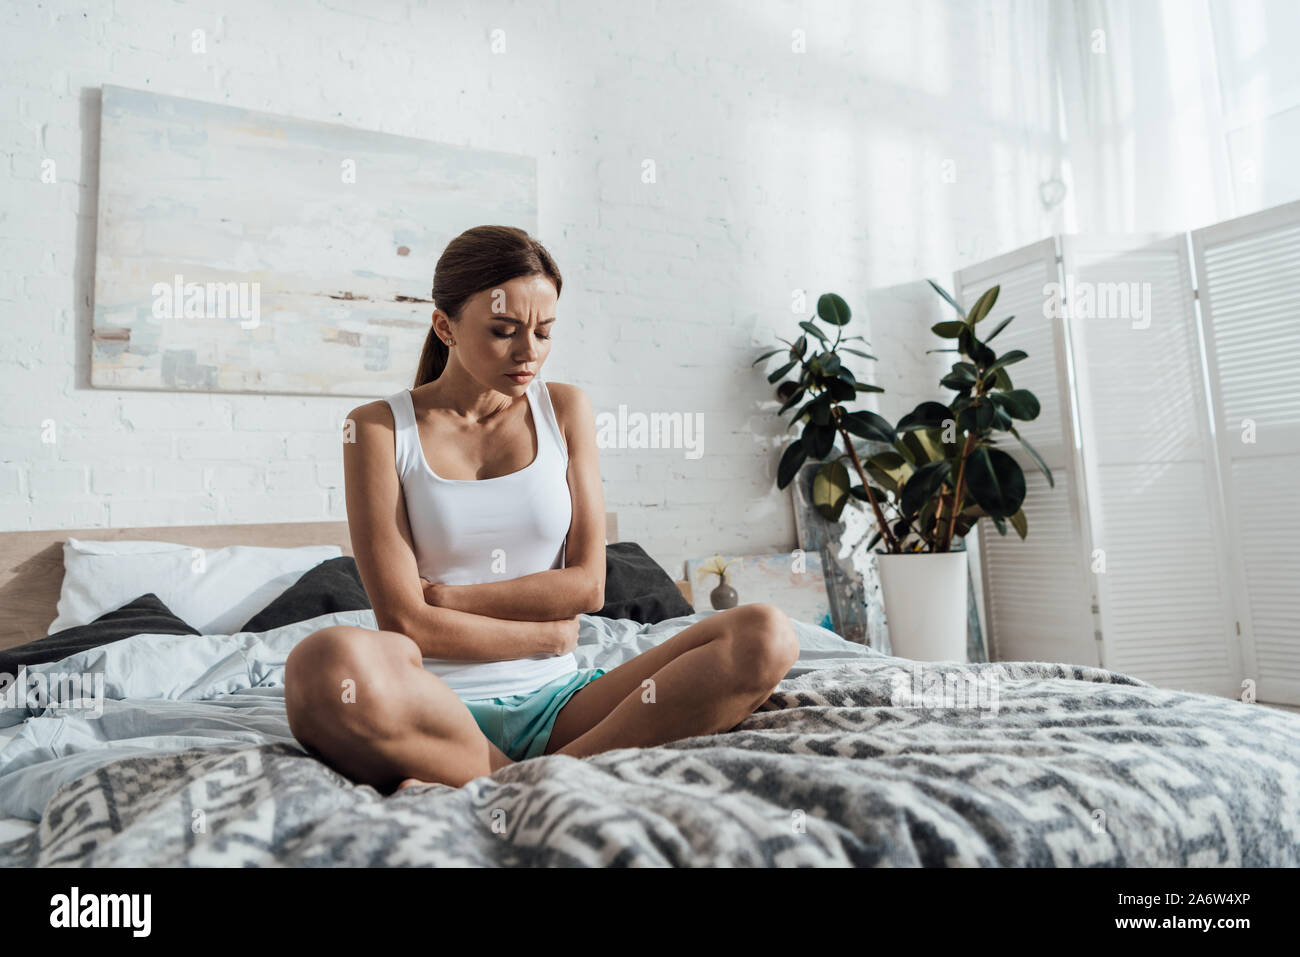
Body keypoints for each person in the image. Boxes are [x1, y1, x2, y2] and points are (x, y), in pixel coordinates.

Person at [284, 225, 798, 793]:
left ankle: (538, 777)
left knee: (766, 632)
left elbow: (588, 588)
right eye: (503, 331)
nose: (529, 353)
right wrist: (545, 637)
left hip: (564, 705)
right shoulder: (378, 428)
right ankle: (536, 781)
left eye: (544, 332)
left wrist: (454, 599)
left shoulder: (565, 410)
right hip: (431, 711)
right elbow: (407, 624)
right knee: (322, 663)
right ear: (444, 325)